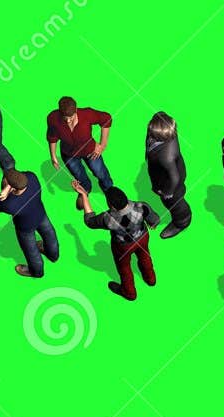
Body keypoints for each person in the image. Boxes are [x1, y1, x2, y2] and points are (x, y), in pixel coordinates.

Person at [77, 183, 161, 300]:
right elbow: (155, 220)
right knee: (145, 255)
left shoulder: (107, 218)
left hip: (122, 246)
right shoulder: (141, 206)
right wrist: (153, 224)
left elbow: (90, 221)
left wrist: (84, 196)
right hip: (142, 238)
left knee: (124, 267)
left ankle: (130, 293)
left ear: (111, 206)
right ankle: (150, 279)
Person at [0, 169, 59, 278]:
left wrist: (4, 191)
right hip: (41, 215)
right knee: (50, 234)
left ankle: (36, 272)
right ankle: (53, 255)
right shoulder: (32, 177)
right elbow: (21, 178)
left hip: (25, 227)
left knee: (31, 250)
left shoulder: (9, 204)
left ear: (11, 187)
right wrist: (10, 186)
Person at [46, 96, 114, 194]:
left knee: (100, 173)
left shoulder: (87, 114)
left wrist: (103, 144)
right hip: (69, 154)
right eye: (65, 118)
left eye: (71, 117)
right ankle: (85, 191)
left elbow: (106, 118)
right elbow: (52, 137)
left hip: (90, 151)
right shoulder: (52, 118)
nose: (68, 121)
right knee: (79, 176)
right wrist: (53, 157)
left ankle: (109, 190)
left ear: (76, 110)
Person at [145, 111, 190, 239]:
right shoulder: (165, 128)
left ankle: (182, 221)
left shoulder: (166, 157)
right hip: (163, 175)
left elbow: (174, 178)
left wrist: (168, 193)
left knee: (174, 202)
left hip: (171, 184)